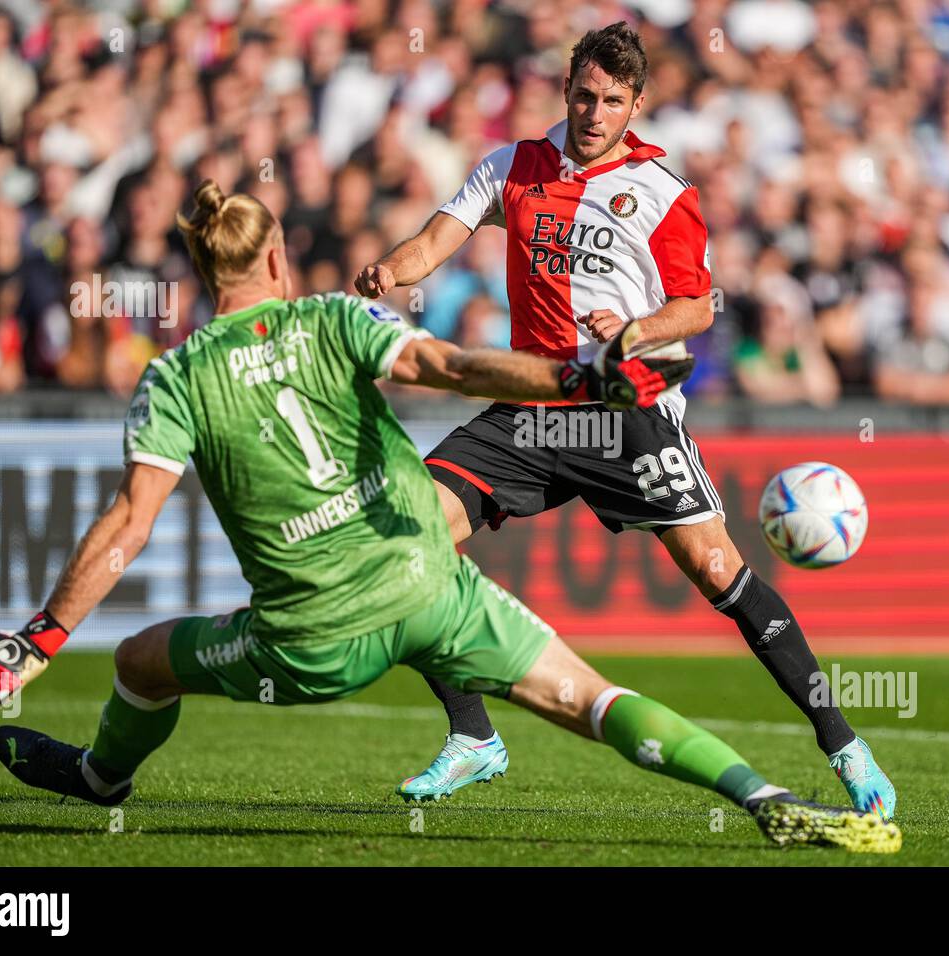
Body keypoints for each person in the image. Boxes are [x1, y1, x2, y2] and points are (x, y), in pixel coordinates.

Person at [0, 180, 901, 855]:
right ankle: (756, 793)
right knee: (589, 699)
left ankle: (105, 780)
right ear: (277, 254)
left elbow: (127, 526)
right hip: (443, 573)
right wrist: (570, 370)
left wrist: (34, 643)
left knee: (140, 662)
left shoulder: (174, 379)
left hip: (319, 639)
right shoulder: (338, 319)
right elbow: (446, 361)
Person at [355, 22, 896, 820]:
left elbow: (698, 306)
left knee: (719, 572)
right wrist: (389, 271)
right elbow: (439, 237)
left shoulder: (662, 191)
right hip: (534, 404)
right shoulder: (513, 167)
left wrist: (634, 332)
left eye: (611, 100)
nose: (593, 111)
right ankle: (473, 735)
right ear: (565, 90)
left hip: (627, 411)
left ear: (635, 103)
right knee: (407, 535)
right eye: (583, 95)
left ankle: (843, 744)